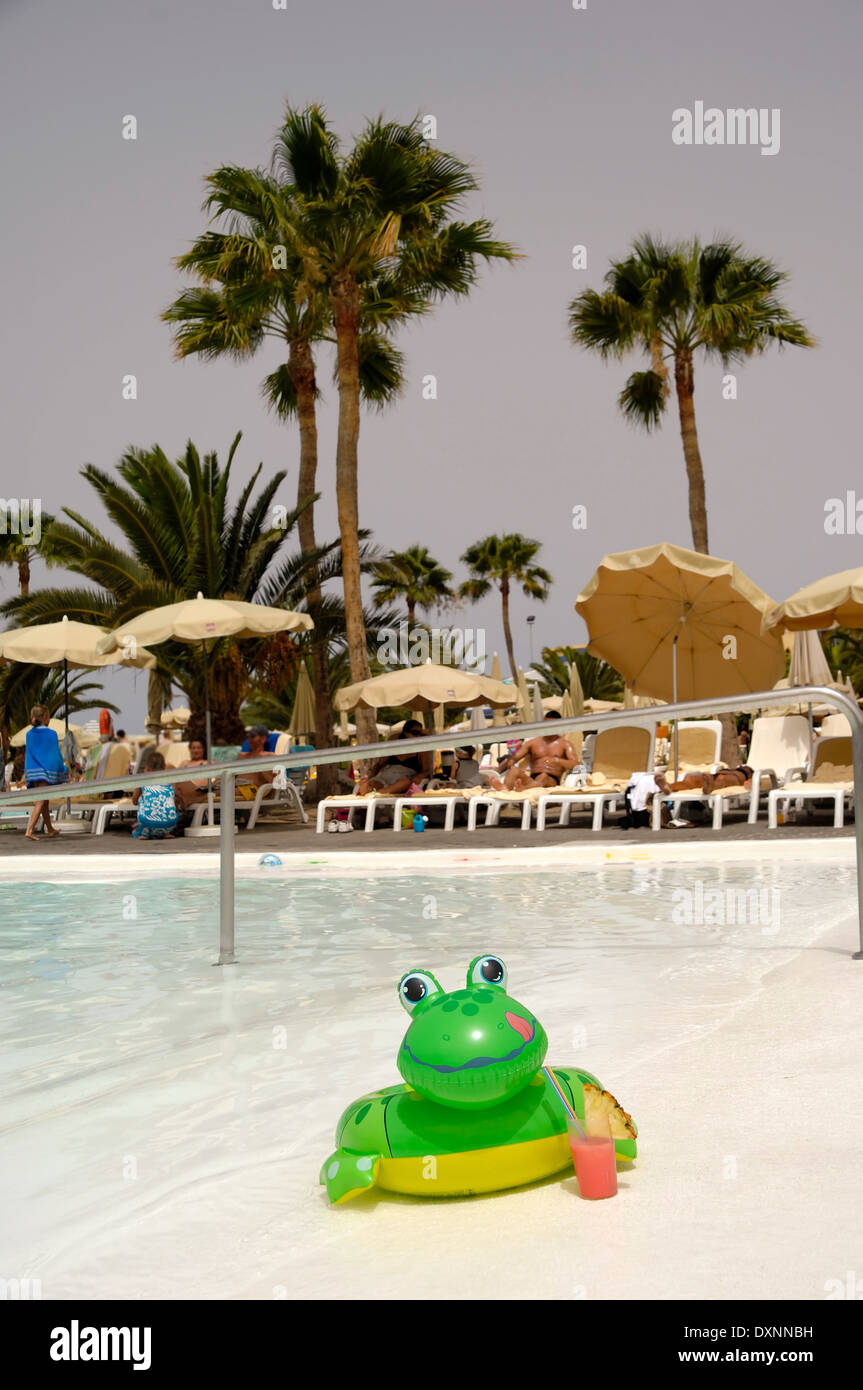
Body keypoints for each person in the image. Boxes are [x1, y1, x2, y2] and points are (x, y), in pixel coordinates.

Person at [489, 711, 579, 790]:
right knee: (514, 771)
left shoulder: (565, 744)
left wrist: (556, 760)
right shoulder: (533, 743)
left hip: (551, 781)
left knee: (543, 776)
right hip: (532, 778)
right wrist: (511, 765)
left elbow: (575, 764)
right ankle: (505, 789)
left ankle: (524, 789)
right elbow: (513, 759)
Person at [24, 705, 67, 839]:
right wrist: (63, 769)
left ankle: (50, 829)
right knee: (41, 801)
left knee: (45, 801)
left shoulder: (29, 734)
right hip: (44, 771)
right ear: (45, 718)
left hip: (32, 771)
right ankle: (29, 830)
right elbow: (54, 756)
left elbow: (31, 754)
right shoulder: (51, 734)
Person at [131, 749, 178, 839]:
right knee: (167, 798)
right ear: (164, 766)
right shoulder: (169, 780)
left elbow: (134, 800)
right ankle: (165, 832)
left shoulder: (143, 779)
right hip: (171, 823)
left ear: (147, 768)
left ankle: (144, 834)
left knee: (142, 798)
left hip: (147, 823)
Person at [173, 738, 213, 811]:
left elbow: (208, 782)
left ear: (203, 749)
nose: (196, 750)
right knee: (169, 767)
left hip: (196, 791)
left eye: (198, 748)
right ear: (190, 750)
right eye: (193, 748)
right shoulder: (184, 763)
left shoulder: (208, 763)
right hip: (181, 791)